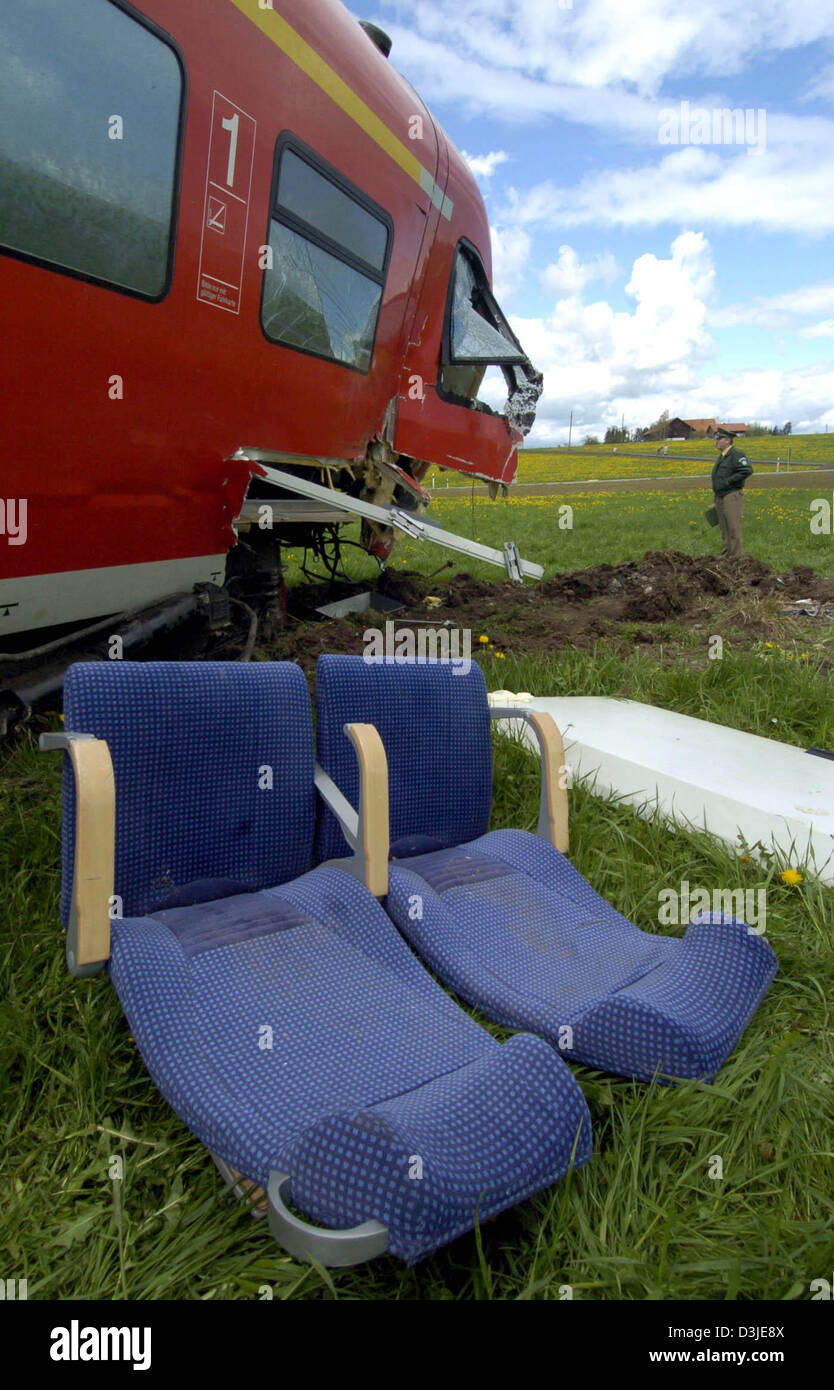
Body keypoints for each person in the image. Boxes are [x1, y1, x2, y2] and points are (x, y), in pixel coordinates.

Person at [711, 427, 753, 559]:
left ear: (728, 440)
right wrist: (716, 498)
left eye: (719, 439)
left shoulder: (736, 454)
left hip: (731, 495)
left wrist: (729, 482)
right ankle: (726, 554)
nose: (716, 441)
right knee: (724, 528)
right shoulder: (722, 456)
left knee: (733, 526)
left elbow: (746, 470)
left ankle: (735, 557)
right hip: (720, 496)